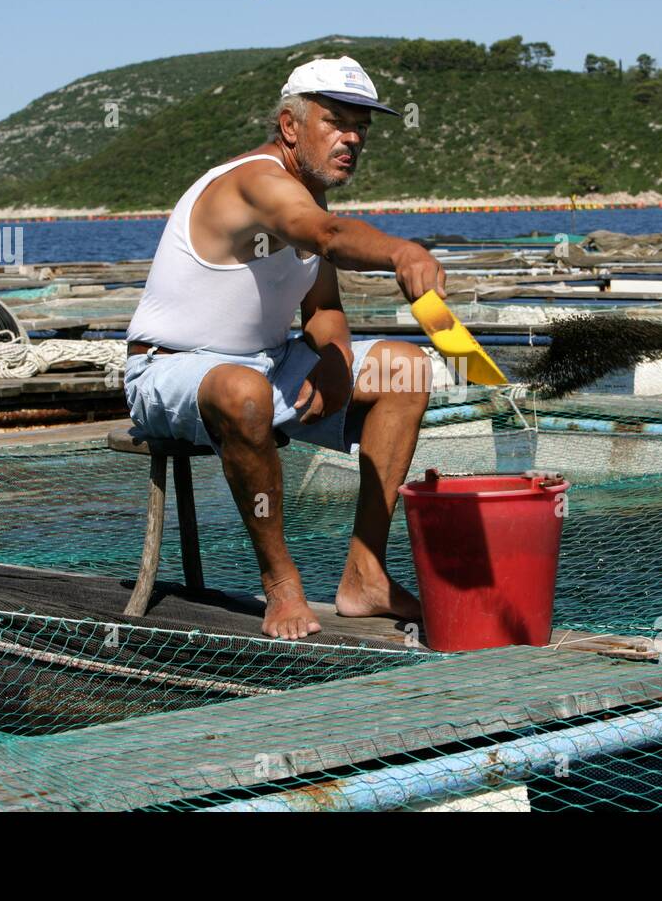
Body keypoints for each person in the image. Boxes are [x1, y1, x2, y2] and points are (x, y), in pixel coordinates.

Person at [123, 56, 446, 640]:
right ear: (290, 126)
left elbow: (323, 311)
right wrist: (404, 252)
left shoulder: (309, 203)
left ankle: (366, 576)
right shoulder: (256, 183)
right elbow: (326, 237)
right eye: (336, 120)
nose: (352, 137)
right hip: (168, 370)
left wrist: (335, 363)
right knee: (241, 390)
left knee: (406, 367)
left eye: (361, 126)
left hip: (268, 364)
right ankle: (281, 585)